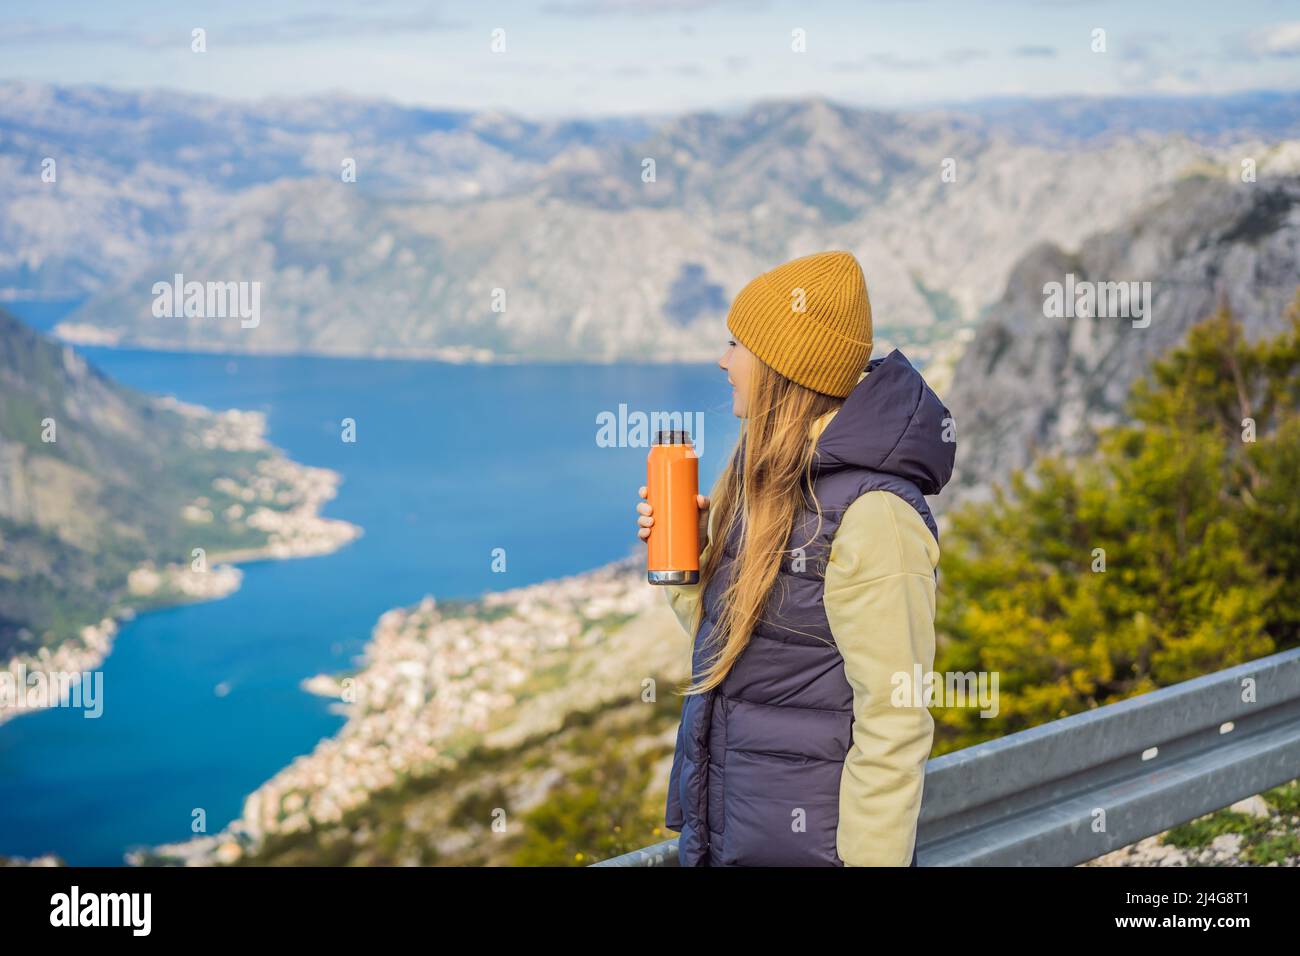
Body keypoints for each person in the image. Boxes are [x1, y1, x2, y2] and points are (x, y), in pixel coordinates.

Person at [635, 250, 955, 866]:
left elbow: (895, 722)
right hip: (735, 838)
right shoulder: (765, 483)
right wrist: (692, 562)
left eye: (737, 343)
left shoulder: (874, 515)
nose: (722, 360)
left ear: (784, 365)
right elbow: (739, 657)